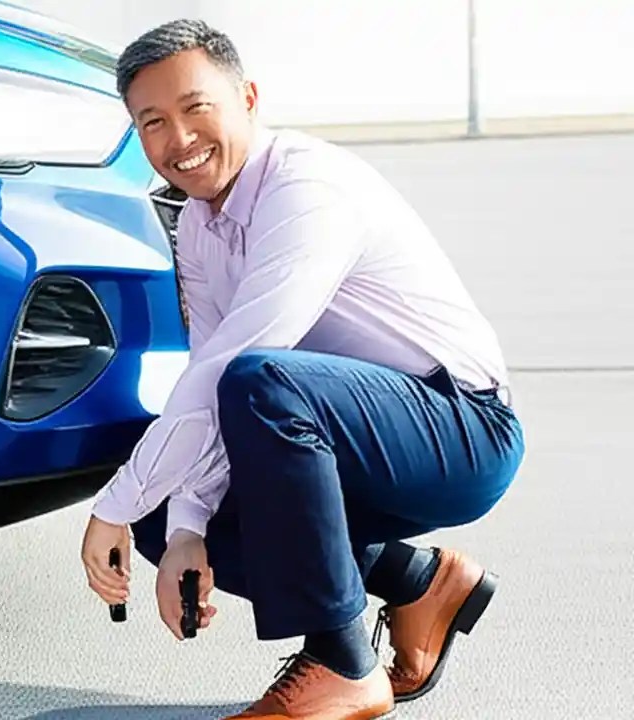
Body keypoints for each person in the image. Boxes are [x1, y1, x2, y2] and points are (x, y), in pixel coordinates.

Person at [79, 18, 525, 720]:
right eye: (153, 122)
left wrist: (111, 505)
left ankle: (343, 665)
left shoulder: (308, 185)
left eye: (197, 108)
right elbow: (211, 382)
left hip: (461, 430)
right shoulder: (198, 224)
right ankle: (420, 582)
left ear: (248, 98)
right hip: (343, 439)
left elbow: (244, 362)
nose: (180, 140)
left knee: (258, 384)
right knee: (164, 513)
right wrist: (184, 528)